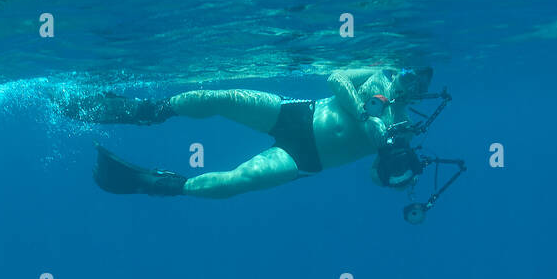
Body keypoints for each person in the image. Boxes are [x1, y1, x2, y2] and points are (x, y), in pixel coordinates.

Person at [64, 66, 434, 199]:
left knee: (236, 182)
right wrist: (361, 112)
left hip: (306, 159)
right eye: (409, 73)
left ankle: (157, 183)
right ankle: (144, 111)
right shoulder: (376, 72)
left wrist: (394, 174)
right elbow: (335, 77)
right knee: (222, 98)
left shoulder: (403, 127)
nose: (410, 82)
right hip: (297, 114)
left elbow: (375, 174)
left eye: (419, 81)